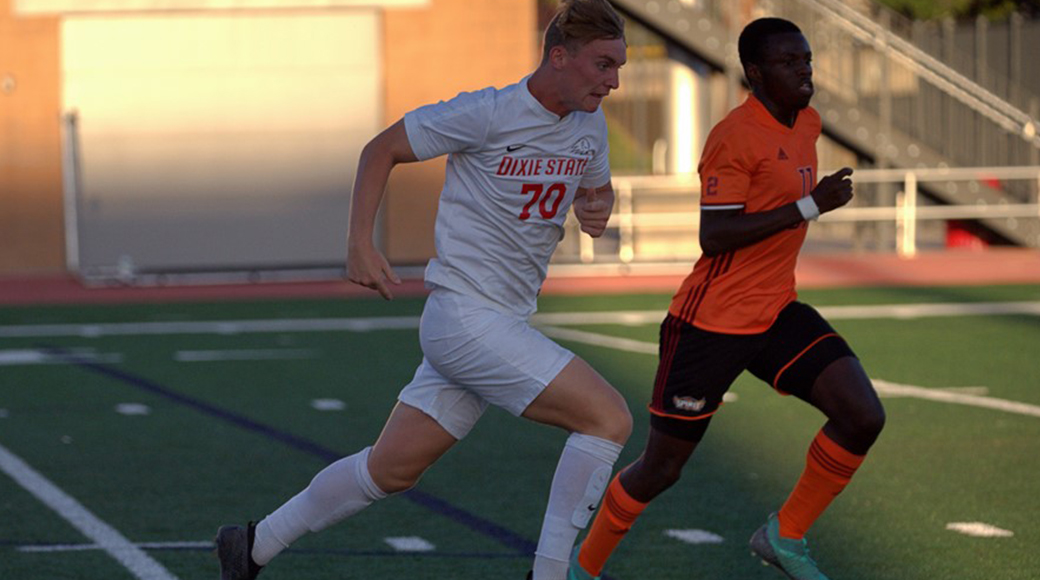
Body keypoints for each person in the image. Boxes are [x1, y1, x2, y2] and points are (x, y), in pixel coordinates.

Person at [215, 1, 632, 579]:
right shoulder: (487, 112)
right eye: (603, 64)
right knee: (609, 419)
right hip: (466, 320)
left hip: (500, 324)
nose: (613, 81)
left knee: (389, 472)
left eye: (619, 67)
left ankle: (253, 545)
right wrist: (359, 242)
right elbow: (379, 149)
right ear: (559, 56)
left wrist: (595, 207)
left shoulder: (589, 125)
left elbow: (597, 190)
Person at [568, 17, 886, 580]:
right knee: (662, 469)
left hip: (776, 310)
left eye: (807, 58)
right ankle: (581, 571)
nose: (804, 69)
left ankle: (783, 535)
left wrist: (808, 204)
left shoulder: (807, 122)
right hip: (710, 324)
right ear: (756, 74)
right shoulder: (735, 135)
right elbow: (714, 235)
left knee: (861, 415)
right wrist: (811, 206)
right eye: (790, 62)